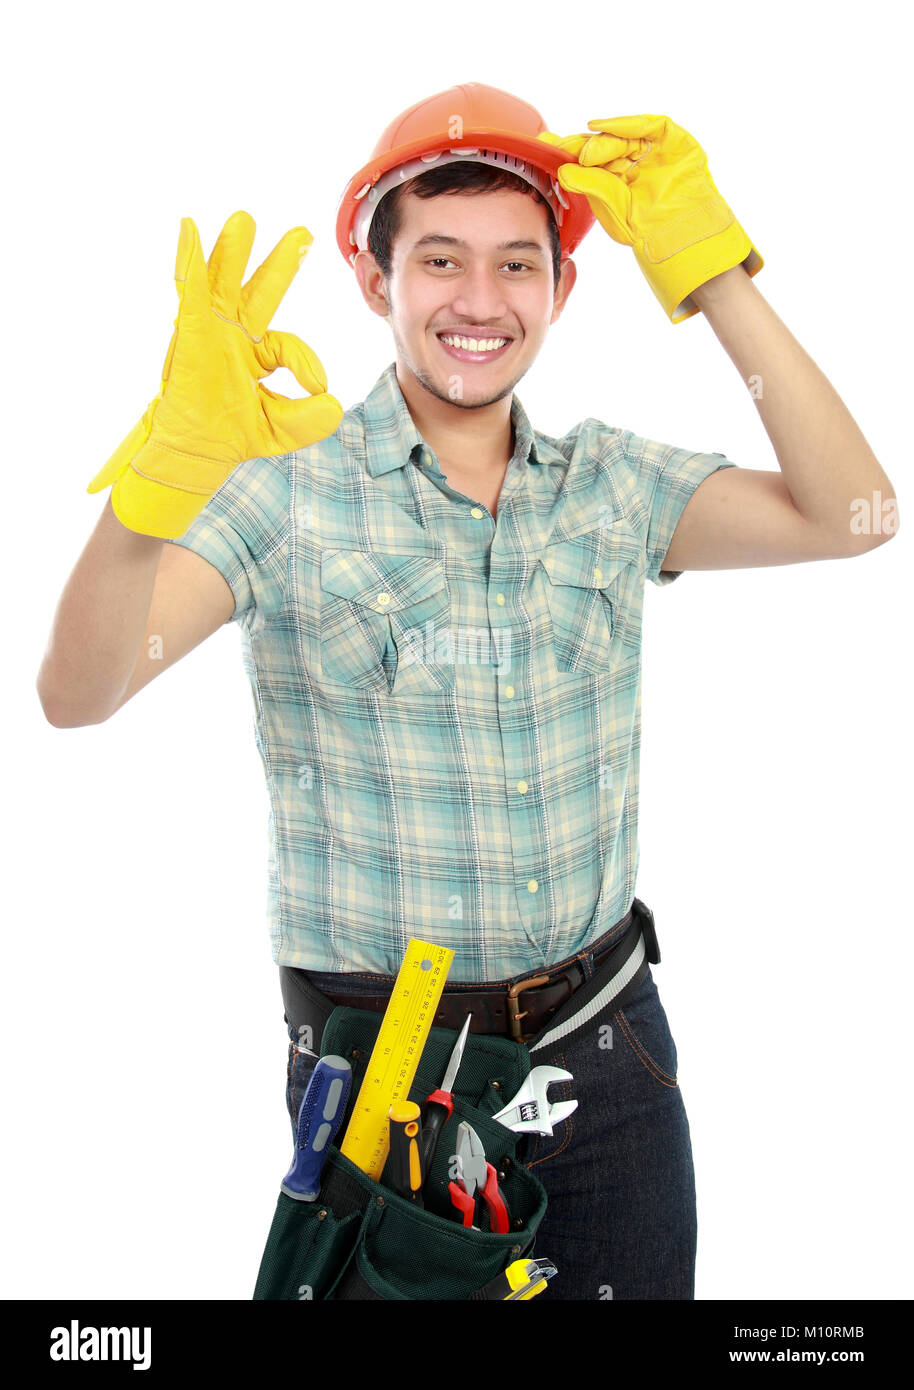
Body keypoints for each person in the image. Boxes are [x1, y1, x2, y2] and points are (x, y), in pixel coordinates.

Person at [36, 82, 898, 1300]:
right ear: (373, 279)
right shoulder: (279, 488)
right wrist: (154, 496)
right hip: (390, 1081)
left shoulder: (611, 486)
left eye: (517, 264)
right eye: (438, 259)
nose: (479, 302)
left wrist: (713, 275)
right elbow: (78, 694)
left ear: (560, 289)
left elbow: (856, 514)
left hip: (609, 1062)